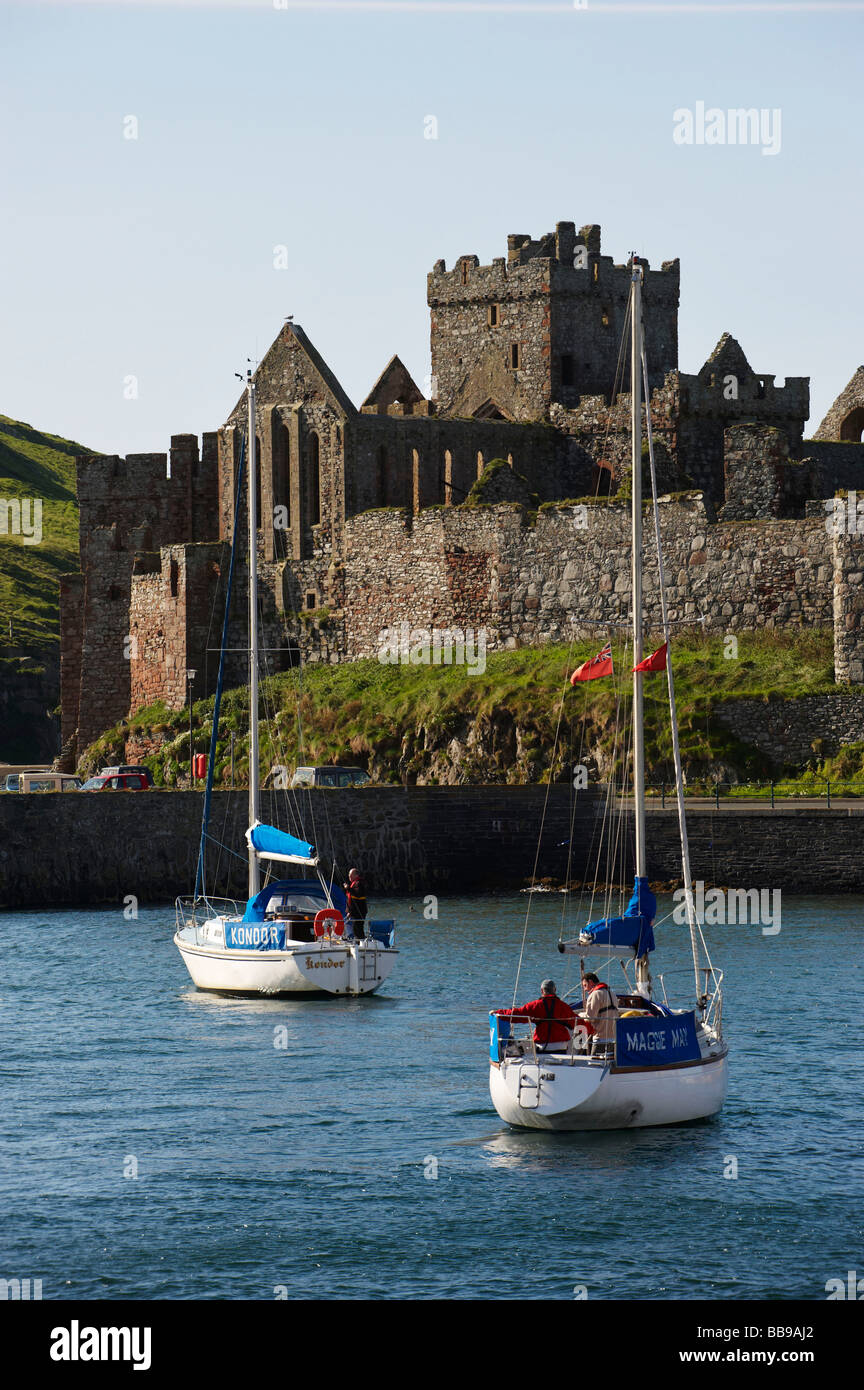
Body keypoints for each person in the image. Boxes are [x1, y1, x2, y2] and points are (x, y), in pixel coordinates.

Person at [497, 980, 576, 1054]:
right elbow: (575, 1023)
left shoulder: (536, 1005)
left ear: (542, 991)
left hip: (543, 1045)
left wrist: (499, 1013)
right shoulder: (564, 1006)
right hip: (561, 1046)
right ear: (555, 990)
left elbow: (518, 1014)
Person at [582, 971, 619, 1053]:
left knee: (594, 1063)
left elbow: (590, 1018)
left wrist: (580, 1015)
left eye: (585, 985)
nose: (584, 989)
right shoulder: (612, 994)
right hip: (613, 1039)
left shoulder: (595, 994)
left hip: (600, 1038)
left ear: (591, 982)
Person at [343, 868, 368, 939]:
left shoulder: (360, 883)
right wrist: (349, 911)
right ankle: (359, 942)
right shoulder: (354, 884)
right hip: (354, 911)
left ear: (356, 875)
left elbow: (358, 894)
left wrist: (348, 888)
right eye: (349, 875)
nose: (349, 877)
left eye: (351, 875)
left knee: (358, 928)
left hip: (359, 911)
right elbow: (351, 900)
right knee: (355, 929)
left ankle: (361, 943)